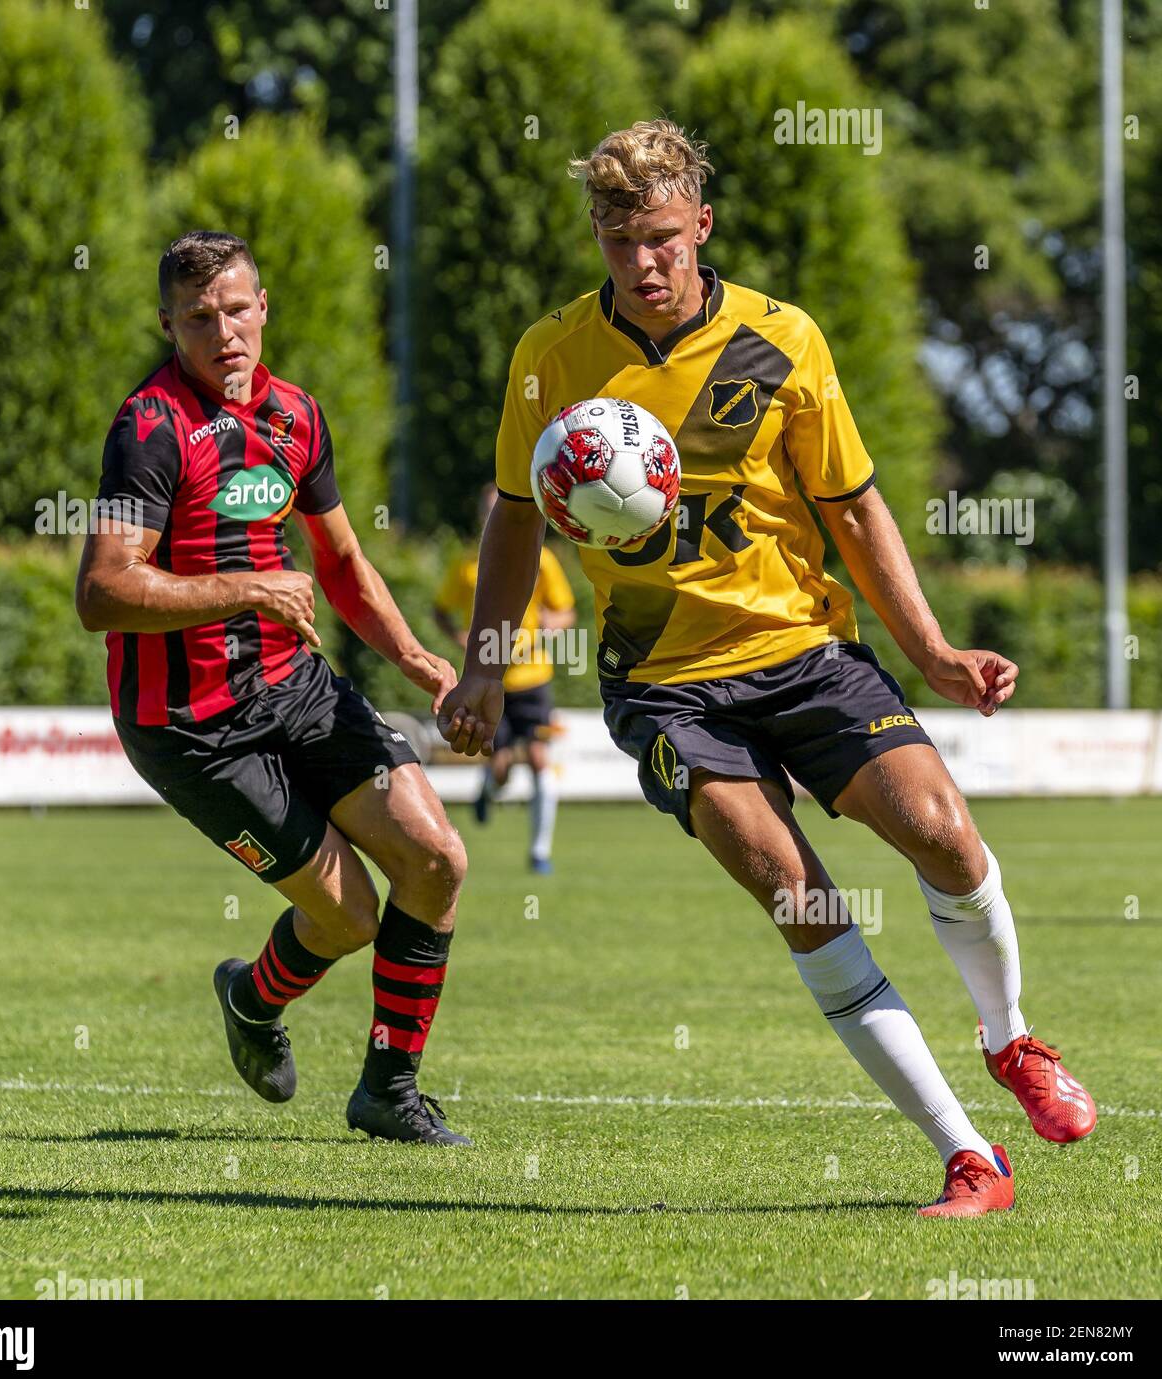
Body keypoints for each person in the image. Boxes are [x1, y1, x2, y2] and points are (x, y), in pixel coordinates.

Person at [438, 121, 1096, 1214]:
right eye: (616, 241)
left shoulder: (783, 340)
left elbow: (854, 507)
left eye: (659, 237)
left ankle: (1009, 1037)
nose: (641, 263)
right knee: (794, 891)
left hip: (805, 654)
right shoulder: (548, 360)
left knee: (940, 829)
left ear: (701, 223)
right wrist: (481, 667)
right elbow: (513, 523)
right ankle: (968, 1156)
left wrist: (930, 651)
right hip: (663, 685)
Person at [76, 230, 470, 1145]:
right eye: (200, 318)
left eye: (239, 309)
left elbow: (339, 562)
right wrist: (251, 587)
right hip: (190, 725)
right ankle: (251, 1000)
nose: (225, 333)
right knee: (347, 915)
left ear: (265, 309)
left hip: (296, 688)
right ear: (170, 326)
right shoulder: (149, 427)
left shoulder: (298, 415)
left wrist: (413, 655)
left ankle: (388, 1091)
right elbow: (102, 593)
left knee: (437, 859)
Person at [434, 484, 577, 873]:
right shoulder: (466, 563)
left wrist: (552, 625)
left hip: (532, 678)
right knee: (500, 766)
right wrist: (459, 638)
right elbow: (440, 610)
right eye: (488, 511)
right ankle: (487, 788)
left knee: (538, 759)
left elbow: (566, 612)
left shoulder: (543, 559)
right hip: (489, 678)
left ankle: (539, 853)